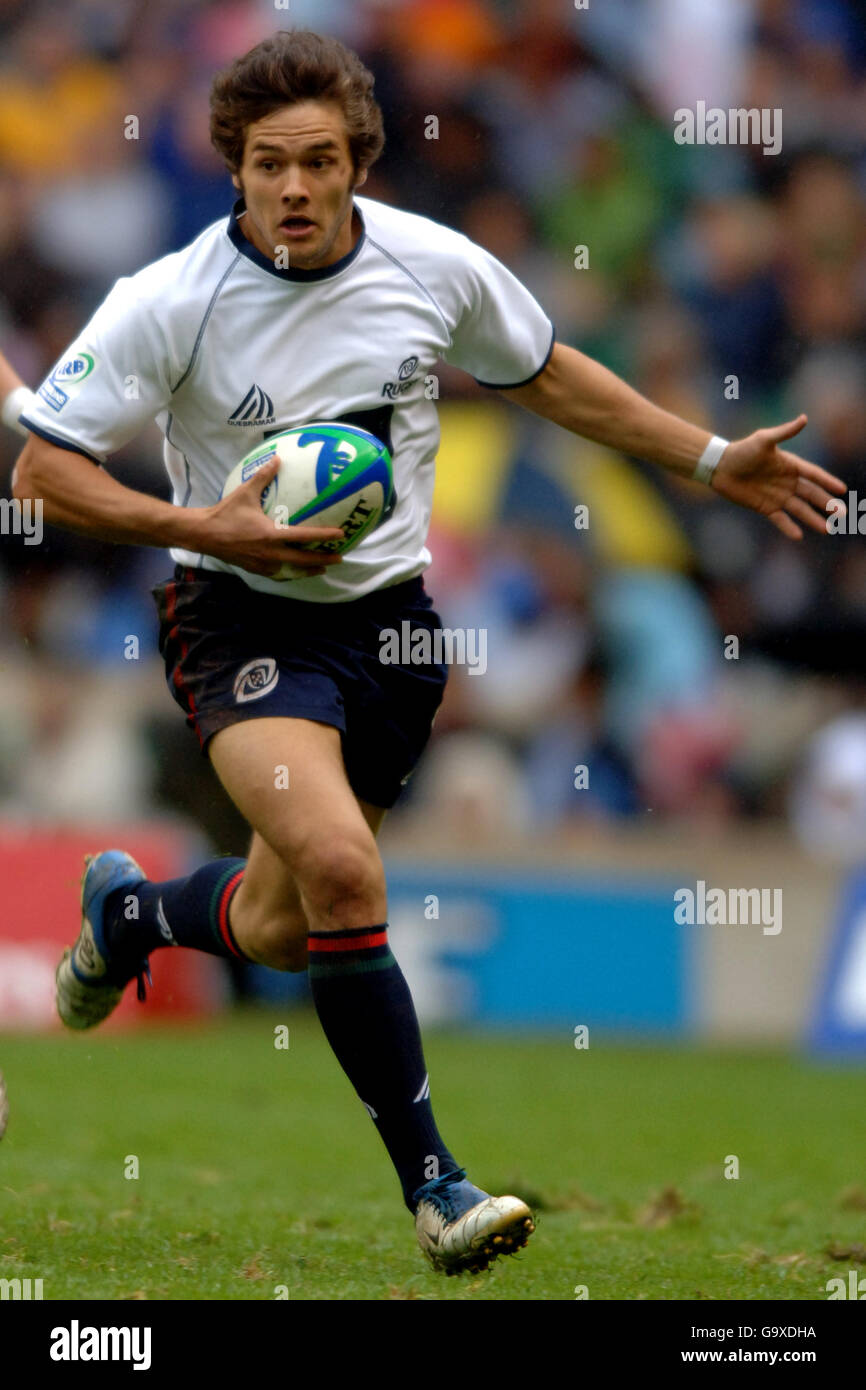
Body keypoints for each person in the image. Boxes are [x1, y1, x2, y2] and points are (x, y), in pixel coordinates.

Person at [6, 30, 844, 1276]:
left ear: (358, 165)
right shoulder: (168, 300)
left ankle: (129, 912)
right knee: (344, 873)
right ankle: (437, 1187)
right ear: (234, 168)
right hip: (235, 623)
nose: (296, 187)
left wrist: (711, 460)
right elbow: (40, 469)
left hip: (392, 636)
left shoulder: (432, 266)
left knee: (291, 924)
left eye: (323, 162)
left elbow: (551, 379)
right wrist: (203, 523)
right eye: (271, 164)